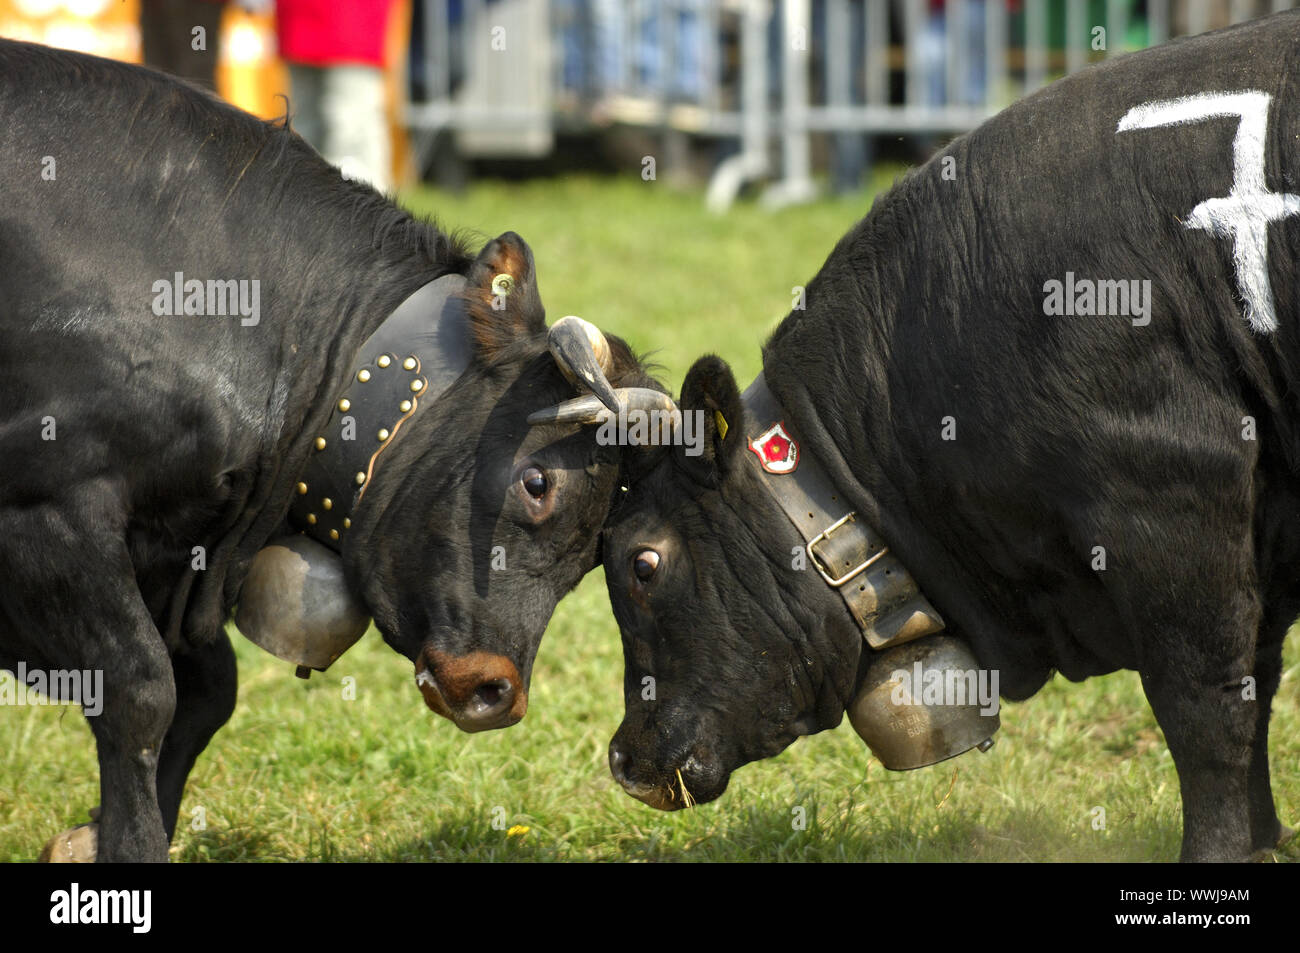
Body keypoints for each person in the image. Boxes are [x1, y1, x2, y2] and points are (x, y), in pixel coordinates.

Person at [276, 0, 398, 192]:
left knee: (349, 132)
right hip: (303, 19)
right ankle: (310, 208)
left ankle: (365, 213)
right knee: (307, 135)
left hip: (351, 22)